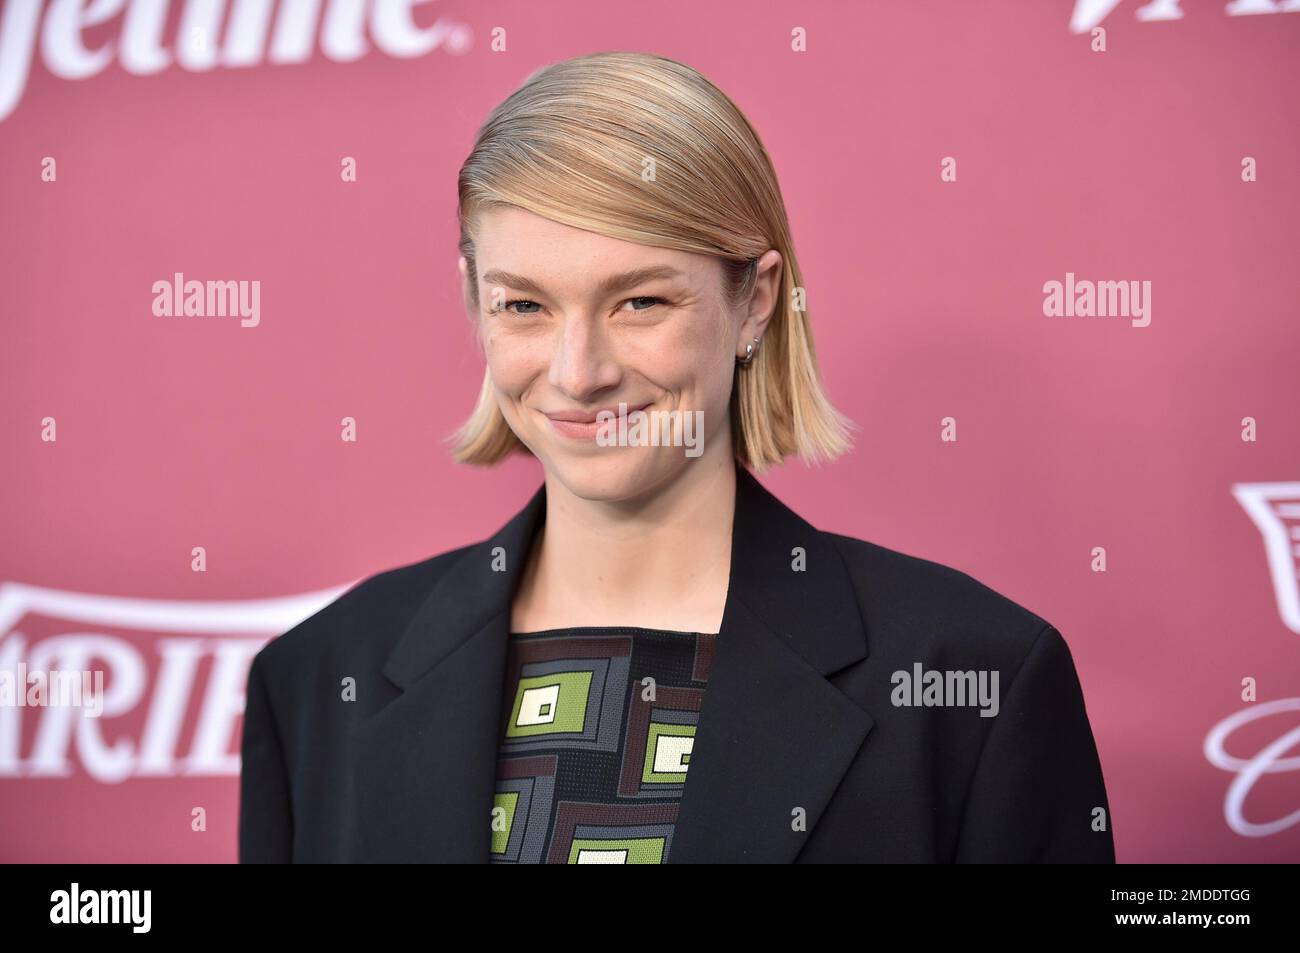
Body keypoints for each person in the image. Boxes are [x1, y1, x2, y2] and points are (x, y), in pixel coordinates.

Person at [238, 50, 1114, 863]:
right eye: (524, 306)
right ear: (474, 301)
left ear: (755, 302)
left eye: (641, 301)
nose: (580, 374)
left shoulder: (974, 677)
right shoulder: (321, 678)